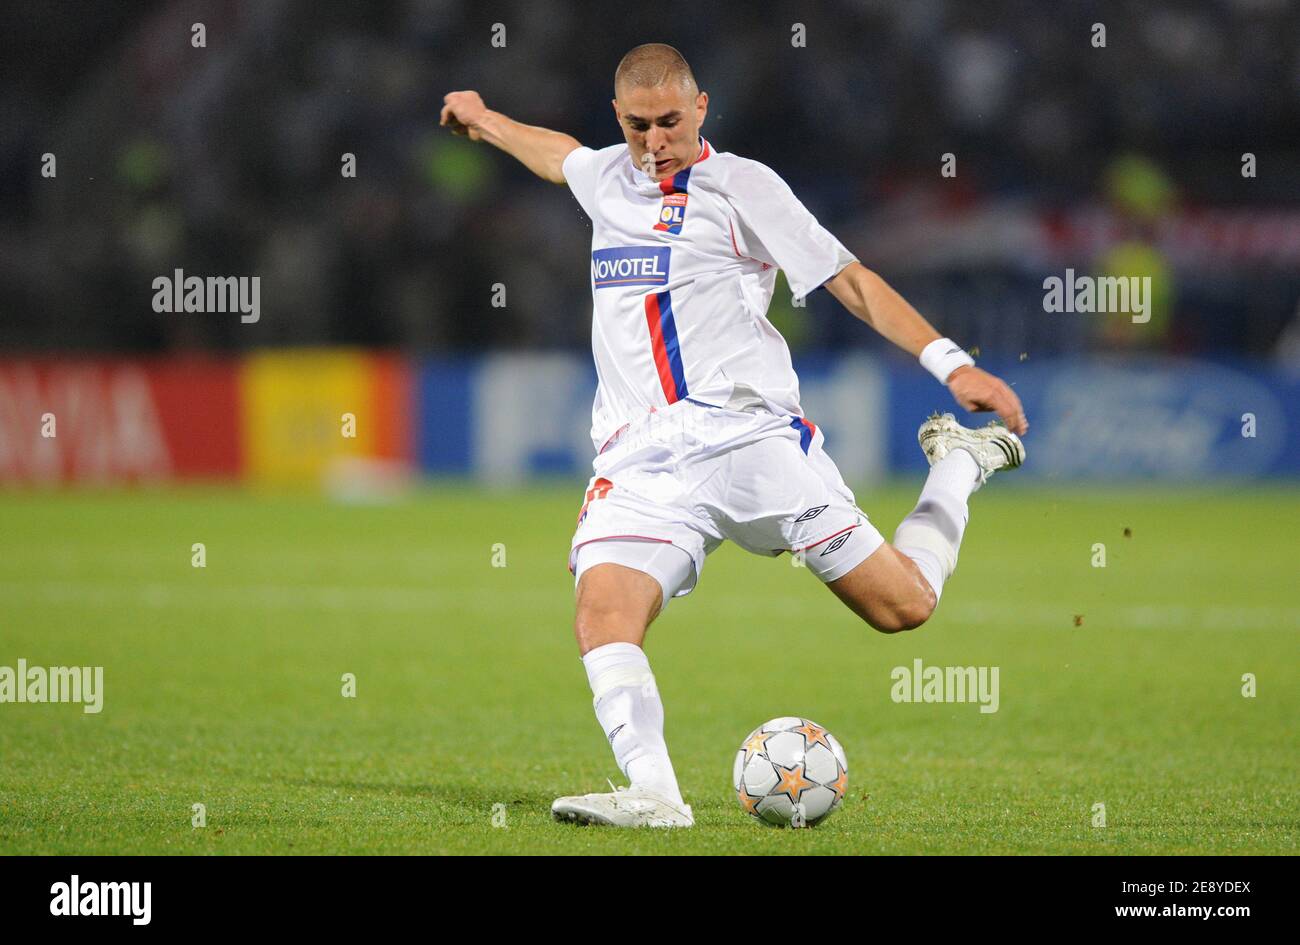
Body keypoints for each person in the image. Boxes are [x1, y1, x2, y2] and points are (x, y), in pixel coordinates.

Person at [441, 43, 1028, 828]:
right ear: (619, 120)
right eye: (639, 126)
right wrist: (484, 121)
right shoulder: (606, 176)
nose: (655, 143)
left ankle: (957, 463)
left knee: (904, 608)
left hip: (748, 442)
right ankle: (655, 793)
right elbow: (558, 157)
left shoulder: (741, 187)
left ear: (703, 108)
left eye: (671, 123)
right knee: (603, 614)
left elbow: (850, 280)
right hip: (641, 457)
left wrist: (953, 364)